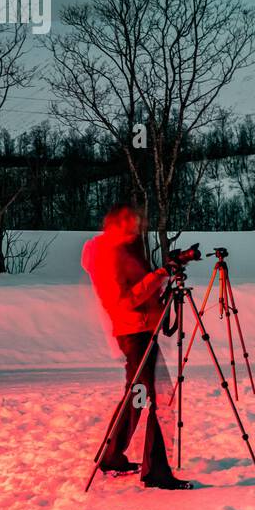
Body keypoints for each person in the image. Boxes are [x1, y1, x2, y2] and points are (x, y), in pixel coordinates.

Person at [81, 201, 193, 489]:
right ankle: (155, 472)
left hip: (140, 330)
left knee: (137, 395)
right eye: (131, 223)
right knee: (160, 398)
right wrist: (159, 275)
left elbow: (138, 288)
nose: (136, 227)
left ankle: (111, 457)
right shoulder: (108, 254)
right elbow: (124, 300)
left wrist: (164, 273)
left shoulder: (121, 251)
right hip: (135, 333)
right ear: (115, 224)